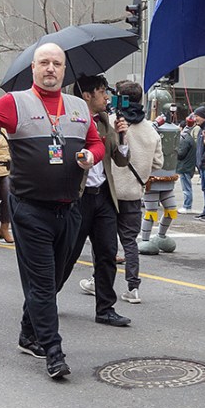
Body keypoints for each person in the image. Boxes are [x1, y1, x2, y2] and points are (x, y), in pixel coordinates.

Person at [0, 46, 104, 379]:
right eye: (44, 63)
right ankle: (53, 350)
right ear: (33, 69)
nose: (51, 69)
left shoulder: (79, 107)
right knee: (41, 284)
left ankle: (29, 333)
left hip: (70, 208)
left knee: (54, 281)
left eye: (57, 63)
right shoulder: (15, 102)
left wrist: (90, 156)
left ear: (64, 70)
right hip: (30, 209)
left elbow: (97, 143)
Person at [69, 74, 133, 326]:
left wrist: (122, 137)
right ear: (87, 95)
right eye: (102, 91)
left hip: (104, 196)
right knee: (68, 254)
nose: (107, 96)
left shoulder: (106, 120)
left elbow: (120, 160)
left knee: (107, 252)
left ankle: (105, 308)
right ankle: (46, 299)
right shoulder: (70, 121)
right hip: (79, 198)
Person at [109, 81, 160, 304]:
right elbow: (158, 162)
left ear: (120, 98)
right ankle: (133, 288)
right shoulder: (151, 130)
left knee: (105, 242)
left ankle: (98, 281)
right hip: (133, 193)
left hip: (108, 192)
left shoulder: (112, 122)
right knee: (130, 242)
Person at [138, 113, 181, 255]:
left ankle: (161, 235)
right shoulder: (150, 128)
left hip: (168, 178)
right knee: (151, 212)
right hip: (153, 179)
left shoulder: (173, 129)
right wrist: (156, 123)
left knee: (171, 209)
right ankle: (145, 239)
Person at [176, 116, 199, 212]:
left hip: (184, 167)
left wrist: (175, 150)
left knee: (186, 188)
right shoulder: (189, 139)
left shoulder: (185, 140)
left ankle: (187, 206)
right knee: (187, 187)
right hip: (188, 166)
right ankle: (187, 205)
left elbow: (181, 154)